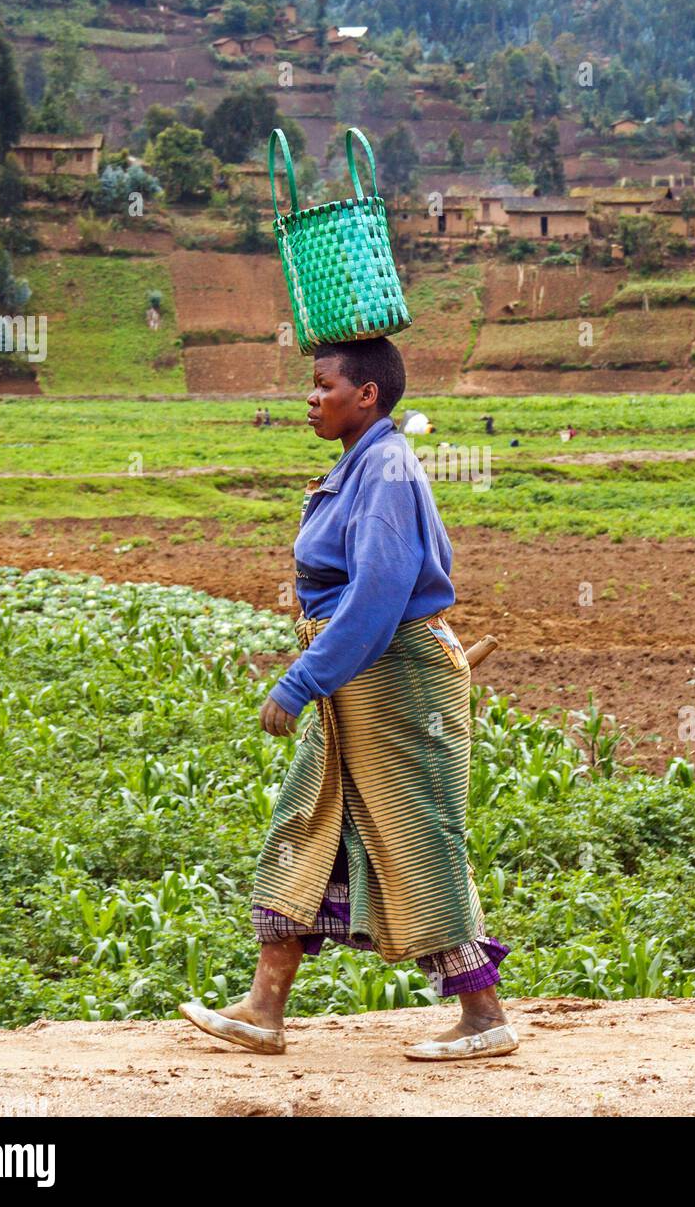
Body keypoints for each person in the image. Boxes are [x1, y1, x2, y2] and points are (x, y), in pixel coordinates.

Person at [178, 337, 516, 1061]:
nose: (310, 397)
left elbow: (377, 595)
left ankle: (484, 1017)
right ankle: (264, 1009)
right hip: (361, 677)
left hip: (396, 678)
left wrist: (302, 680)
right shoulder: (361, 463)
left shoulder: (387, 470)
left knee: (416, 837)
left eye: (322, 384)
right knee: (310, 821)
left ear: (366, 395)